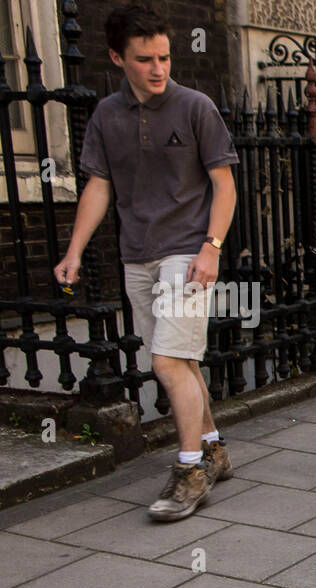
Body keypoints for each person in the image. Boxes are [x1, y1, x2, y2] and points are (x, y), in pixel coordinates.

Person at [53, 3, 237, 521]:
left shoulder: (195, 106)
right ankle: (214, 449)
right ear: (117, 58)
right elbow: (99, 185)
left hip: (188, 249)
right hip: (138, 253)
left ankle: (189, 471)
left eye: (164, 56)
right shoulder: (107, 116)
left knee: (165, 361)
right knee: (182, 360)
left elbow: (224, 184)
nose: (159, 69)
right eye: (145, 59)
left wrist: (211, 247)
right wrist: (73, 251)